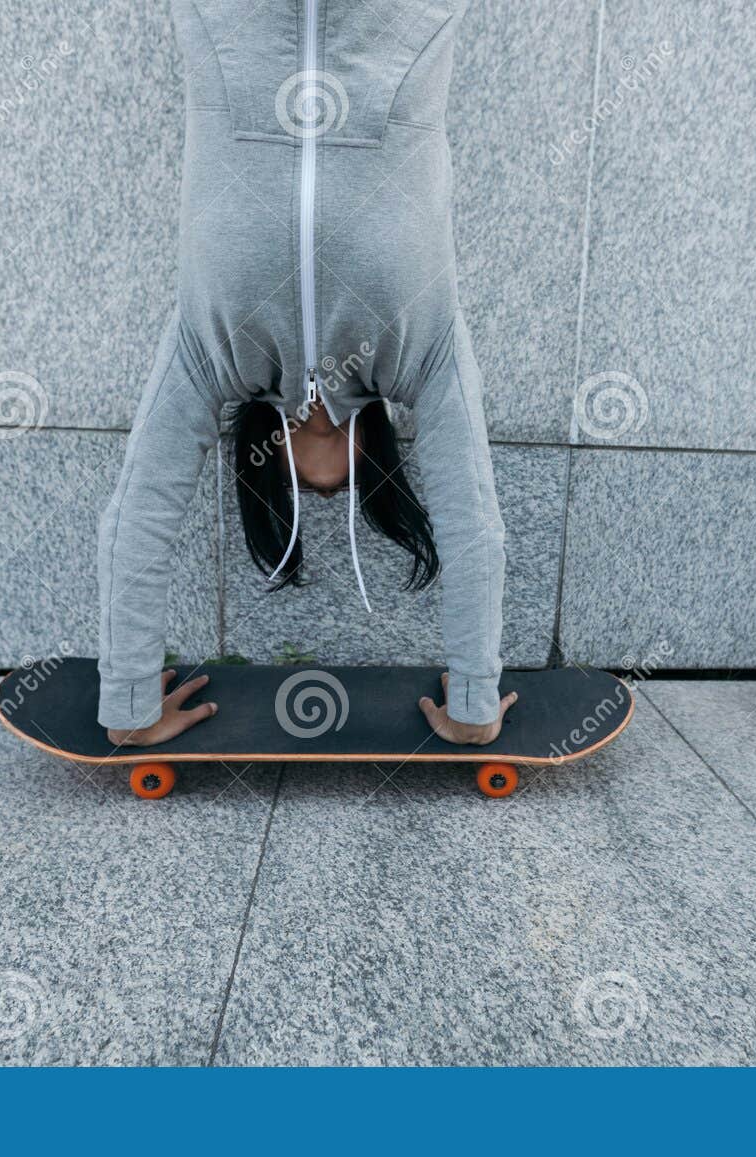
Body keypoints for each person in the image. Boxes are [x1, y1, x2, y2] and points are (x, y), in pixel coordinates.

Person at [95, 0, 514, 748]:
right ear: (370, 454)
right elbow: (470, 518)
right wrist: (474, 705)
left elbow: (141, 515)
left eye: (302, 485)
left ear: (269, 460)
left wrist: (130, 705)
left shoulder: (212, 352)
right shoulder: (420, 355)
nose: (324, 481)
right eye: (343, 487)